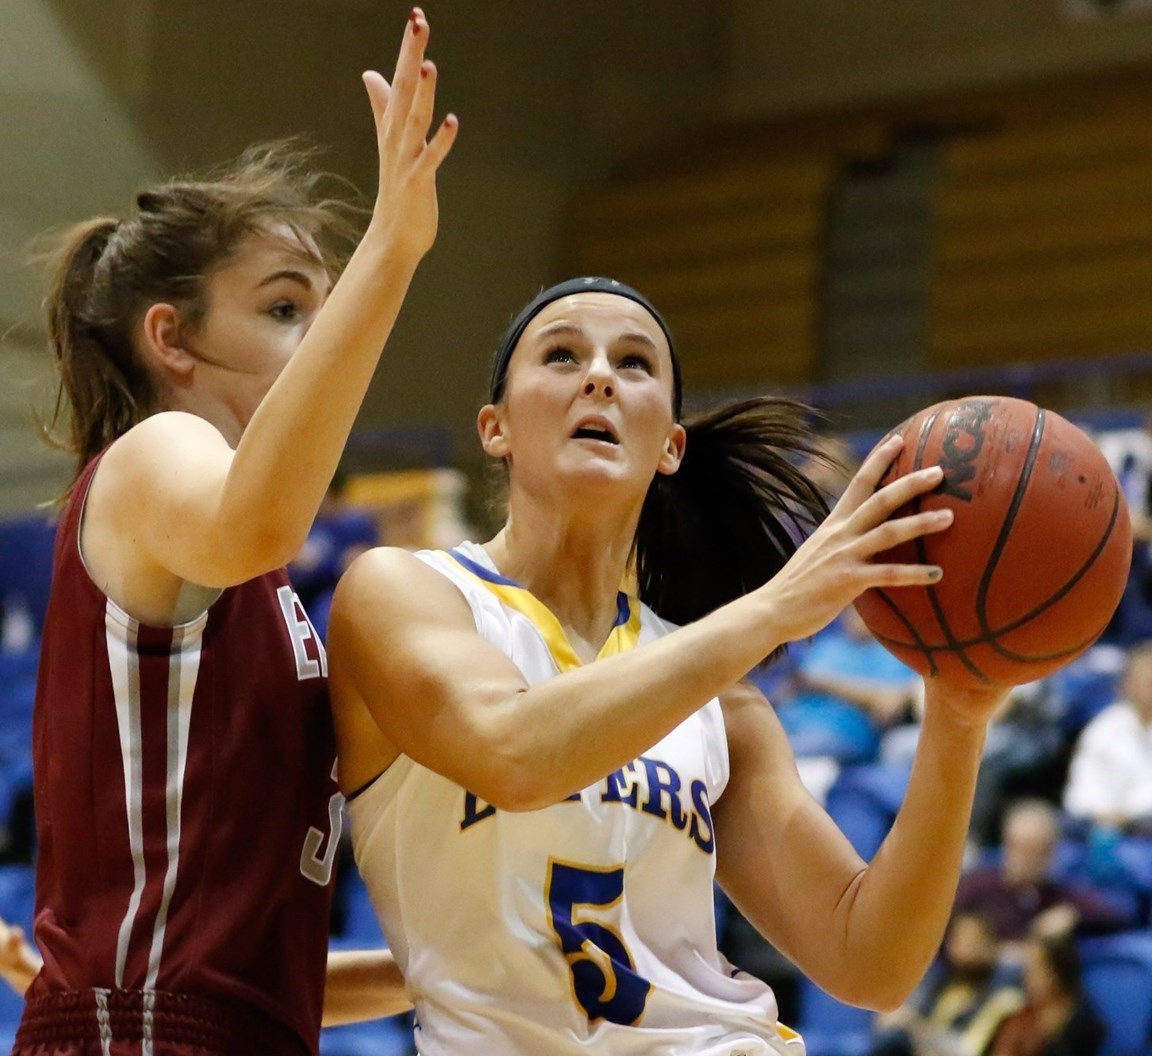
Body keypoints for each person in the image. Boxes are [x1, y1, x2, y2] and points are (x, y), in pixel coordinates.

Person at [327, 276, 1011, 1054]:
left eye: (634, 363)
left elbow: (869, 961)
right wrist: (773, 609)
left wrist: (957, 722)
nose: (600, 376)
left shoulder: (719, 700)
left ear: (670, 447)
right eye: (561, 355)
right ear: (495, 428)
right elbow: (512, 754)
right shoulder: (407, 593)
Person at [15, 10, 455, 1056]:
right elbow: (259, 520)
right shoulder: (152, 458)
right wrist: (389, 254)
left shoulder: (266, 594)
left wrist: (468, 959)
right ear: (171, 337)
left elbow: (259, 980)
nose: (317, 334)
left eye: (316, 306)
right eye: (285, 307)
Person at [954, 799, 1133, 959]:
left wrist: (1072, 916)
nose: (1028, 860)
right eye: (1022, 849)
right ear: (1007, 845)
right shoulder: (978, 887)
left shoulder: (1058, 893)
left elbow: (1117, 917)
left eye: (1039, 851)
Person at [868, 910, 1023, 1056]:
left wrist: (914, 1028)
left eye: (974, 940)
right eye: (959, 939)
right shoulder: (941, 981)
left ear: (991, 946)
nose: (964, 948)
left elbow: (969, 1051)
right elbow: (896, 1017)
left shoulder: (1002, 998)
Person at [1063, 639, 1152, 838]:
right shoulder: (1103, 729)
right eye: (1144, 680)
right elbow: (1080, 791)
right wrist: (1103, 814)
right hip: (1098, 827)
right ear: (1126, 685)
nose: (1149, 687)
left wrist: (1128, 816)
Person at [986, 932, 1105, 1056]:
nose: (1027, 977)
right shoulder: (1018, 1014)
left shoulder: (1084, 1023)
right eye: (1026, 970)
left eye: (1035, 970)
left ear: (1058, 973)